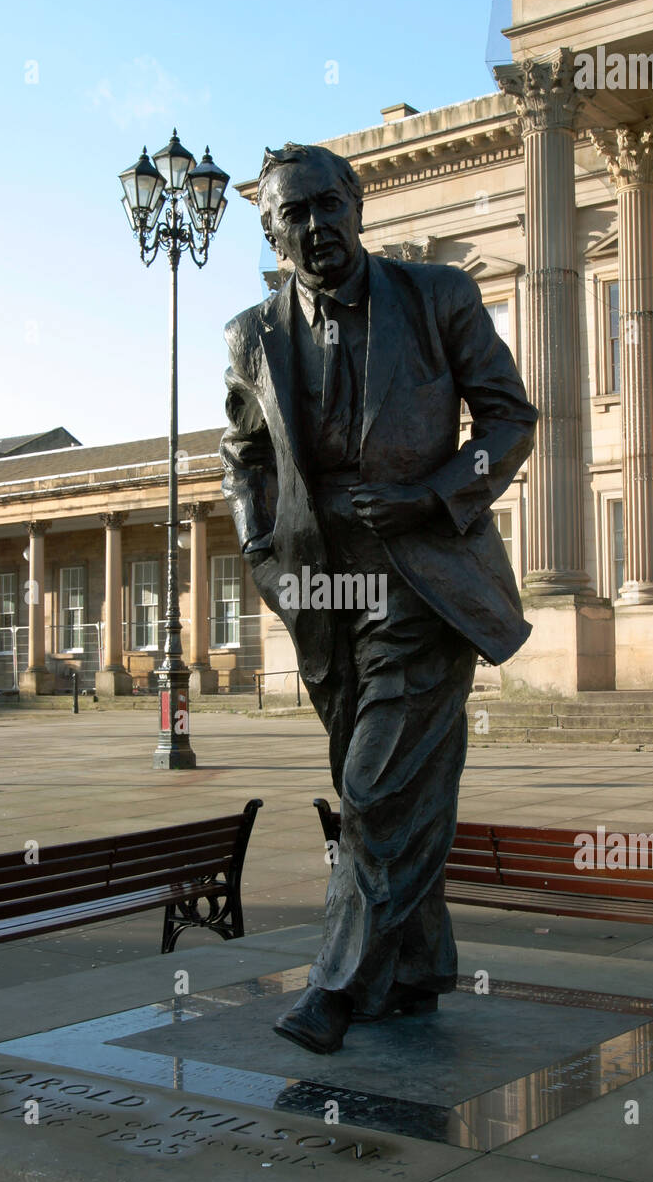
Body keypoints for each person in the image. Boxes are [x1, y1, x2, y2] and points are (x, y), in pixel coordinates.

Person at [220, 142, 537, 1054]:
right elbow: (241, 452)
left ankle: (336, 987)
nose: (315, 228)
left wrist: (432, 492)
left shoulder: (437, 296)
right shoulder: (251, 335)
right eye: (293, 216)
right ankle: (412, 972)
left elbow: (508, 419)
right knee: (400, 791)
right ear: (274, 234)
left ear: (357, 203)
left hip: (428, 585)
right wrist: (258, 548)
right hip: (323, 589)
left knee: (371, 788)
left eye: (328, 205)